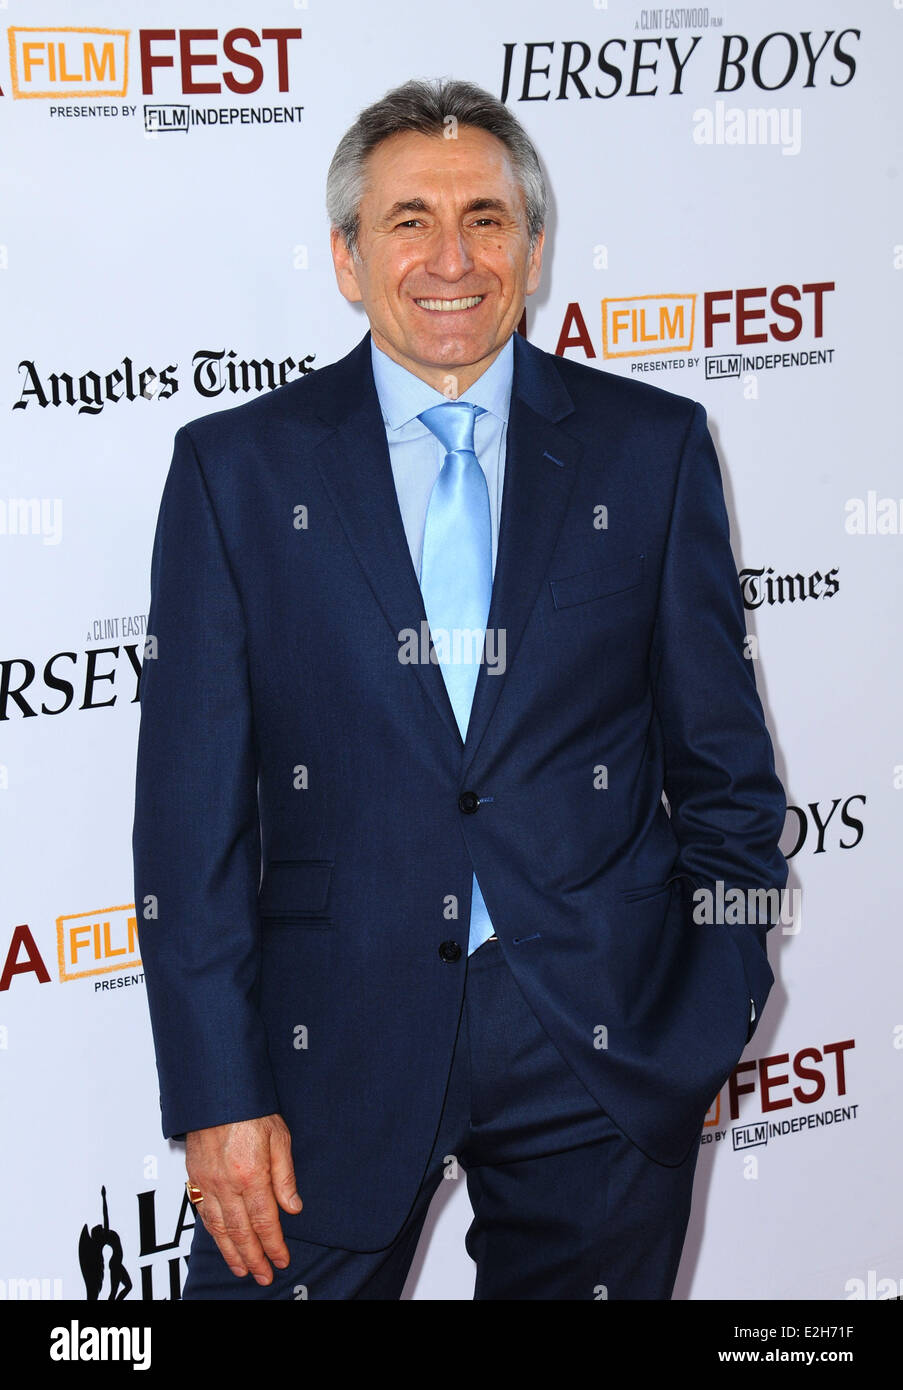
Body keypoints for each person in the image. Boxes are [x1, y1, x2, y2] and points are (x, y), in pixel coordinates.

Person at [132, 77, 788, 1300]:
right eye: (408, 221)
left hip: (596, 1041)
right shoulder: (235, 471)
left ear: (533, 248)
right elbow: (188, 825)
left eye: (487, 219)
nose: (451, 257)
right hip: (327, 1048)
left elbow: (728, 778)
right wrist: (218, 1092)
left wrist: (707, 1016)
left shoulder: (652, 449)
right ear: (345, 255)